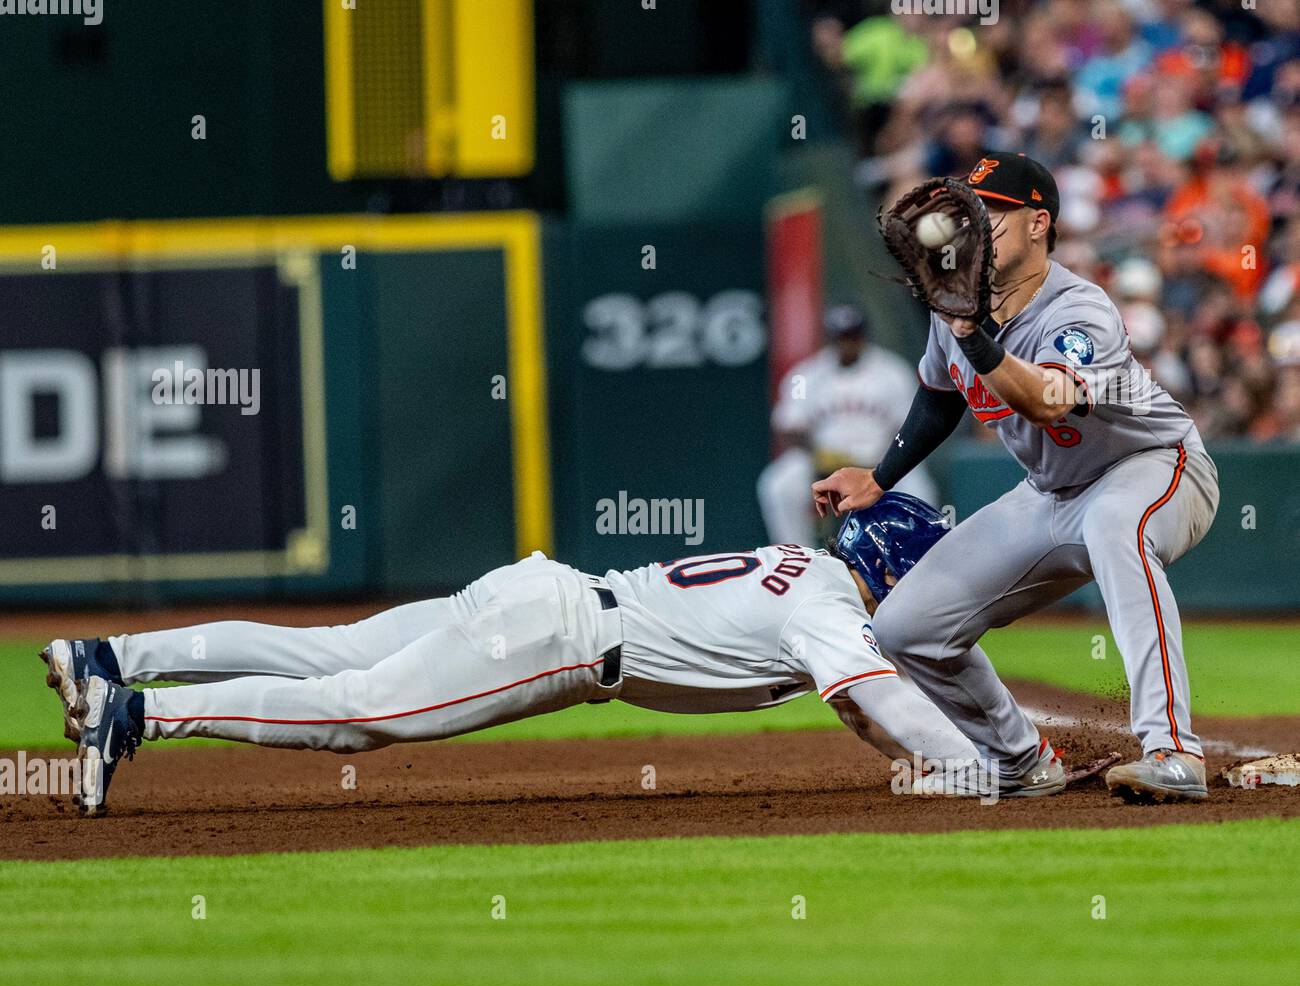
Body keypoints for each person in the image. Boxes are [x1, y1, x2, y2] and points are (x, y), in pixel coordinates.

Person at [41, 499, 1016, 817]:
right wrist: (966, 761)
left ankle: (108, 653)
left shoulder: (807, 572)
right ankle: (134, 713)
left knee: (328, 650)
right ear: (895, 562)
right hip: (561, 640)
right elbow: (872, 687)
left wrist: (913, 755)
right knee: (356, 707)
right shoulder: (830, 602)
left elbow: (857, 700)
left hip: (548, 591)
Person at [814, 153, 1220, 804]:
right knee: (903, 627)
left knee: (1119, 526)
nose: (973, 226)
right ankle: (1020, 759)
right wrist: (881, 475)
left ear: (1038, 223)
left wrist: (973, 334)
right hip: (1048, 494)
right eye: (966, 214)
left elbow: (1048, 400)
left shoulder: (1078, 311)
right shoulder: (962, 306)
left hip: (1154, 468)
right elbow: (938, 396)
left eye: (990, 214)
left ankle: (1173, 752)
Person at [759, 303, 938, 548]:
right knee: (779, 484)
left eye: (852, 336)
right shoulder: (805, 376)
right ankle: (795, 554)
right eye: (840, 337)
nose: (846, 343)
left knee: (919, 489)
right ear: (828, 338)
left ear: (863, 336)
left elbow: (911, 425)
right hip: (821, 463)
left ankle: (917, 556)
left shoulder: (893, 372)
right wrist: (818, 457)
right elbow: (788, 426)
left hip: (883, 461)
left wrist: (887, 461)